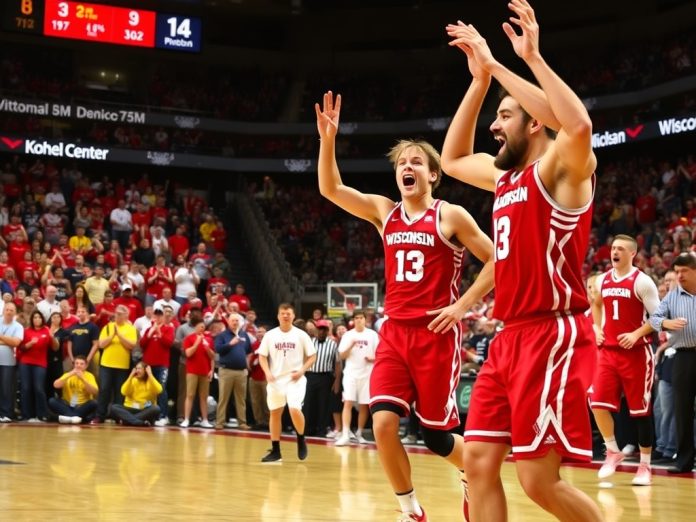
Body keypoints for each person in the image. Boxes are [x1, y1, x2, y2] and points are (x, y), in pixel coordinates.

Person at [441, 2, 601, 519]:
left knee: (537, 482)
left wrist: (518, 60)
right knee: (480, 463)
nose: (494, 127)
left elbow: (576, 126)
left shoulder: (562, 170)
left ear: (534, 122)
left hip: (553, 334)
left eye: (504, 116)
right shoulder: (505, 177)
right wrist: (481, 82)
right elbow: (451, 160)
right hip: (509, 338)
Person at [316, 89, 494, 520]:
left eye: (416, 162)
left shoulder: (450, 215)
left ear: (434, 174)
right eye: (401, 164)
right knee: (381, 424)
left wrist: (463, 306)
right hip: (395, 333)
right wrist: (327, 140)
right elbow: (331, 188)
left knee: (436, 436)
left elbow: (497, 260)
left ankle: (471, 471)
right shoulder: (384, 211)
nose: (407, 167)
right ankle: (410, 509)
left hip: (437, 335)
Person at [589, 235, 660, 486]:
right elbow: (596, 304)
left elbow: (659, 317)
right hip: (608, 352)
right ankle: (612, 451)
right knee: (596, 402)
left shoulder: (643, 281)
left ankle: (645, 466)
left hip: (637, 353)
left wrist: (636, 333)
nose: (614, 252)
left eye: (620, 249)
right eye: (613, 248)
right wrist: (596, 328)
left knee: (639, 412)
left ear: (632, 254)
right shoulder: (601, 280)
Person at [649, 252, 696, 474]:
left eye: (684, 271)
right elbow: (655, 319)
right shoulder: (673, 295)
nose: (679, 276)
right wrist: (667, 322)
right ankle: (684, 461)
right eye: (676, 271)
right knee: (682, 409)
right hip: (683, 356)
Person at [258, 303, 316, 462]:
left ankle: (301, 438)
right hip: (276, 380)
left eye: (288, 313)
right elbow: (262, 356)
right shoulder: (270, 335)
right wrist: (267, 372)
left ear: (293, 316)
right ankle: (276, 451)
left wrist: (302, 371)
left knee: (294, 409)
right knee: (275, 413)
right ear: (278, 316)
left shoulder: (301, 335)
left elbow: (312, 356)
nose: (285, 315)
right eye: (282, 313)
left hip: (294, 379)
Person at [335, 310, 378, 446]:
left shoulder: (372, 335)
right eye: (356, 318)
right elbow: (342, 356)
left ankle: (359, 433)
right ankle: (345, 434)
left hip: (367, 374)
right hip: (351, 374)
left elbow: (381, 354)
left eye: (361, 318)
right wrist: (351, 346)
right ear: (353, 320)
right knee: (348, 402)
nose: (359, 320)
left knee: (364, 405)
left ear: (365, 320)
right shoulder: (348, 335)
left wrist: (374, 359)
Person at [94, 305, 137, 423]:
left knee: (120, 392)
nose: (117, 316)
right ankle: (100, 415)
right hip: (106, 364)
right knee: (104, 389)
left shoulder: (131, 329)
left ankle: (118, 416)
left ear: (126, 316)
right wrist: (112, 335)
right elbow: (101, 344)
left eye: (120, 314)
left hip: (122, 365)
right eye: (116, 313)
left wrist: (119, 335)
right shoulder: (108, 327)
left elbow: (131, 345)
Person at [214, 313, 253, 430]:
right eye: (233, 321)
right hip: (226, 371)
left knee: (241, 399)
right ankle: (220, 422)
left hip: (241, 372)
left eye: (237, 320)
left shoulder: (244, 334)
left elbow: (248, 351)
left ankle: (242, 422)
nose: (235, 323)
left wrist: (247, 365)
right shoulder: (222, 335)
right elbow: (218, 349)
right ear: (228, 322)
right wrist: (230, 344)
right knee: (223, 398)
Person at [19, 310, 58, 421]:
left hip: (40, 363)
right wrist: (30, 344)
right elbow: (21, 348)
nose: (37, 319)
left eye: (39, 317)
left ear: (42, 319)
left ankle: (42, 414)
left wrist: (52, 337)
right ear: (32, 319)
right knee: (25, 388)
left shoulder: (46, 330)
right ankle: (27, 415)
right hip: (25, 362)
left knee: (39, 388)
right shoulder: (26, 331)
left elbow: (55, 348)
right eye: (35, 317)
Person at [303, 319, 340, 437]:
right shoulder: (309, 342)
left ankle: (321, 429)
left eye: (324, 329)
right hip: (310, 375)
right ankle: (308, 429)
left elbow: (337, 363)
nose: (321, 332)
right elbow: (304, 358)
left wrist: (337, 381)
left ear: (327, 331)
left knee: (323, 404)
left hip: (325, 377)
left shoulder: (333, 344)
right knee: (308, 403)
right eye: (319, 329)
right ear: (316, 330)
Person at [140, 306, 175, 426]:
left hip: (162, 364)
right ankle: (147, 415)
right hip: (148, 364)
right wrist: (150, 333)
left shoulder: (168, 329)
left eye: (160, 315)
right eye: (156, 315)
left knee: (161, 389)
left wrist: (159, 332)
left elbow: (168, 344)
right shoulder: (148, 329)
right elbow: (142, 344)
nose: (158, 318)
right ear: (153, 317)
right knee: (148, 389)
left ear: (163, 317)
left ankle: (163, 415)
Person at [180, 316, 215, 428]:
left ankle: (205, 420)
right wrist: (197, 343)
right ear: (195, 327)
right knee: (190, 395)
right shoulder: (189, 338)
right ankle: (186, 419)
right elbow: (188, 354)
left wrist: (207, 348)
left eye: (203, 327)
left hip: (205, 371)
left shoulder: (209, 340)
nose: (202, 329)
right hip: (192, 371)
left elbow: (213, 357)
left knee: (204, 396)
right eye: (200, 326)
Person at [110, 362, 163, 427]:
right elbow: (123, 392)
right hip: (131, 409)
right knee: (114, 407)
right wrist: (130, 376)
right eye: (136, 368)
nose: (137, 370)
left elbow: (159, 390)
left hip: (144, 410)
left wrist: (150, 374)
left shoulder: (150, 381)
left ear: (146, 370)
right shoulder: (132, 380)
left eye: (139, 368)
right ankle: (137, 422)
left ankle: (127, 421)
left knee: (156, 408)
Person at [49, 355, 98, 424]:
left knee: (94, 403)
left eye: (81, 364)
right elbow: (56, 385)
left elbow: (94, 391)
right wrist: (70, 374)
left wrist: (83, 379)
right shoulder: (68, 374)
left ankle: (67, 417)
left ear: (86, 366)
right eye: (76, 363)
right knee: (52, 401)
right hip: (67, 405)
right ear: (73, 365)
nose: (78, 366)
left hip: (82, 406)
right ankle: (75, 417)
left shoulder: (89, 376)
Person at [0, 302, 22, 422]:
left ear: (15, 313)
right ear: (3, 310)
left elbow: (15, 343)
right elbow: (11, 341)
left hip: (8, 362)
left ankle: (6, 413)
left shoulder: (18, 326)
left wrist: (1, 337)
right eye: (7, 309)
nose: (9, 312)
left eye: (11, 310)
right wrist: (7, 340)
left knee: (6, 388)